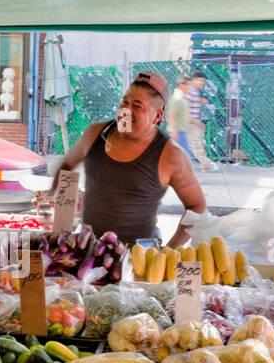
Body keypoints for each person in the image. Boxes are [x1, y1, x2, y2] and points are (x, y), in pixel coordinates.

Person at [56, 71, 207, 247]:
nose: (126, 111)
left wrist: (170, 250)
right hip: (87, 251)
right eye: (124, 102)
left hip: (138, 260)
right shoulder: (94, 134)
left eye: (137, 106)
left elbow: (197, 207)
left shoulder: (171, 156)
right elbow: (67, 165)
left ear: (157, 116)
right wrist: (60, 201)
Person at [182, 71, 217, 170]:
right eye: (200, 80)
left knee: (195, 144)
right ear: (193, 80)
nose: (202, 83)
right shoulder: (191, 92)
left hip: (191, 122)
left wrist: (201, 101)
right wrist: (196, 122)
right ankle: (207, 164)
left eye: (203, 81)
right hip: (191, 123)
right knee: (197, 145)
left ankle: (205, 165)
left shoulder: (194, 92)